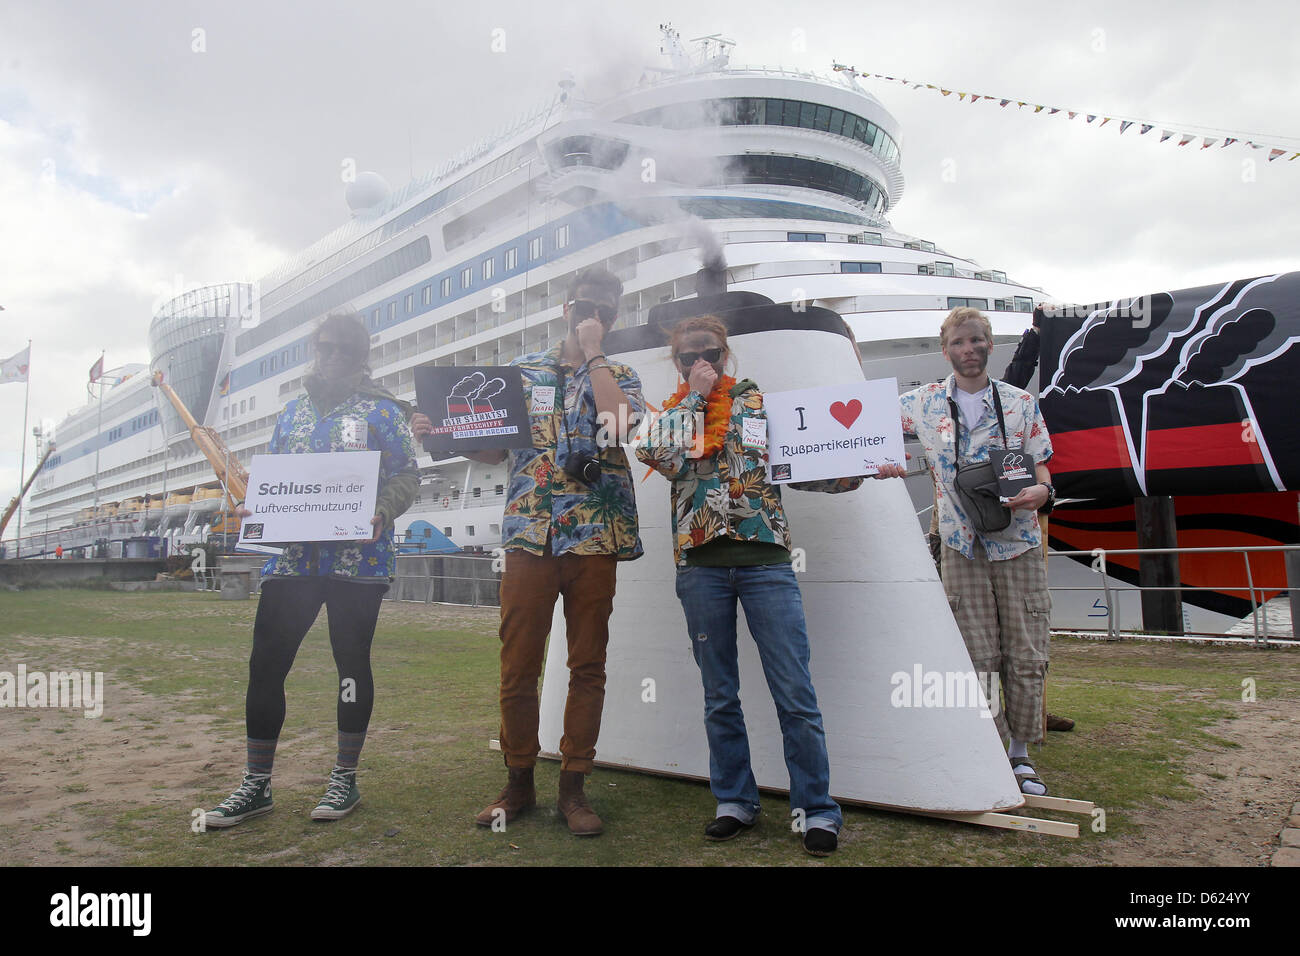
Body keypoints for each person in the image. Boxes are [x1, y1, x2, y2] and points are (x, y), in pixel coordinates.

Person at [413, 266, 643, 837]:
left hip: (593, 536)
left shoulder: (621, 374)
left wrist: (594, 356)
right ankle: (518, 782)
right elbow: (494, 452)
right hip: (527, 536)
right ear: (565, 308)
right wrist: (437, 434)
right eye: (586, 308)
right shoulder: (519, 375)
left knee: (587, 665)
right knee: (517, 665)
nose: (594, 318)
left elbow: (619, 427)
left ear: (614, 320)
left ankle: (574, 787)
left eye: (606, 313)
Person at [635, 315, 862, 856]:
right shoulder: (671, 414)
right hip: (701, 567)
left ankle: (817, 810)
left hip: (767, 563)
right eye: (688, 357)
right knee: (720, 696)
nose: (700, 362)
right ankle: (735, 800)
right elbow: (657, 454)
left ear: (726, 351)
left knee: (795, 693)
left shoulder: (760, 404)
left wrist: (860, 469)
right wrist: (694, 397)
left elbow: (800, 466)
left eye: (708, 352)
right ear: (678, 364)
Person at [204, 311, 419, 827]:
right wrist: (256, 507)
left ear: (360, 354)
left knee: (350, 665)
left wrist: (383, 511)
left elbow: (408, 475)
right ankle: (256, 784)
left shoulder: (383, 413)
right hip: (294, 559)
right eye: (325, 346)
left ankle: (344, 778)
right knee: (266, 664)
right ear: (314, 349)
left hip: (357, 559)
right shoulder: (292, 413)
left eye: (345, 347)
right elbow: (276, 478)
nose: (334, 355)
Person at [876, 306, 1056, 794]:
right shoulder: (922, 404)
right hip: (961, 544)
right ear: (946, 349)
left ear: (990, 344)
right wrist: (882, 460)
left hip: (1017, 541)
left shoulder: (1021, 404)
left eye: (976, 341)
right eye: (958, 343)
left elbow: (1043, 473)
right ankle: (991, 750)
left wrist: (1040, 494)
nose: (969, 350)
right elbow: (865, 429)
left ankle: (1021, 755)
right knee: (977, 654)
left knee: (1026, 648)